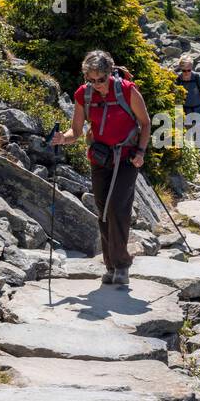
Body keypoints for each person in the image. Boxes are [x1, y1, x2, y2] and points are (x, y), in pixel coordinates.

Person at [49, 49, 151, 288]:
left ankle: (122, 265)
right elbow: (76, 131)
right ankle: (110, 266)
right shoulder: (83, 95)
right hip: (100, 159)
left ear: (110, 73)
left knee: (118, 207)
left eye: (101, 79)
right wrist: (62, 138)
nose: (97, 84)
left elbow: (145, 123)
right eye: (91, 79)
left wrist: (140, 152)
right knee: (103, 211)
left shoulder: (127, 90)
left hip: (127, 158)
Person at [176, 54, 200, 147]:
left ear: (192, 68)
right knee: (185, 144)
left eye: (189, 70)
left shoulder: (198, 79)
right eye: (184, 70)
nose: (186, 73)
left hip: (198, 114)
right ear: (180, 69)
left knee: (199, 144)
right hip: (184, 115)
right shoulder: (177, 80)